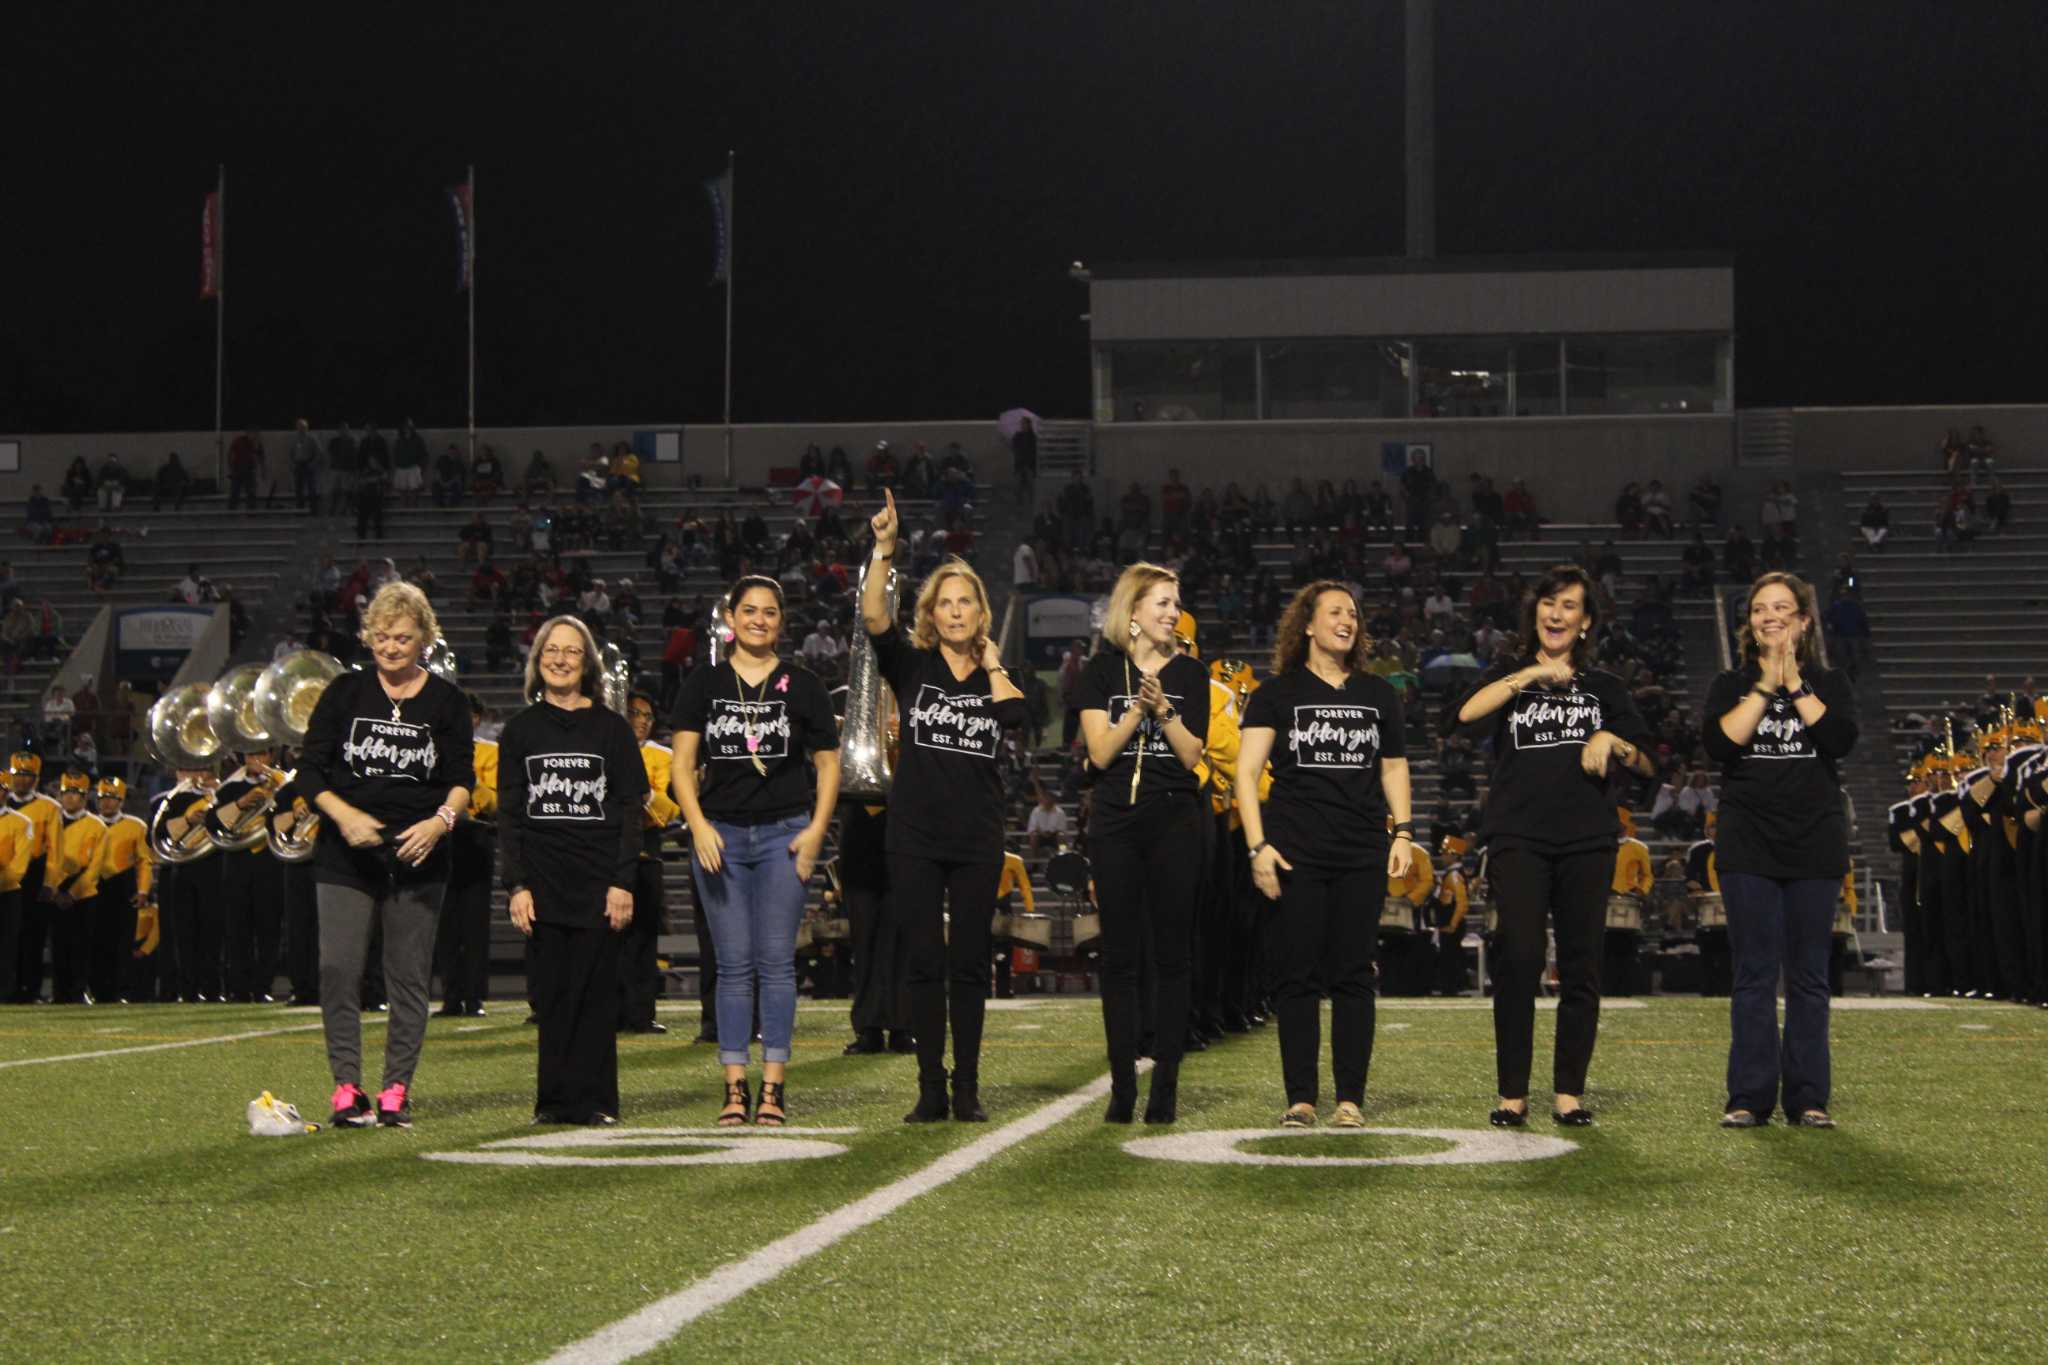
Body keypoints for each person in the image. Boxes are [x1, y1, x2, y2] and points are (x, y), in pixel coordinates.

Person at [1453, 565, 1655, 1128]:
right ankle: (1512, 1093)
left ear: (1586, 621)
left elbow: (1647, 761)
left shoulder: (1606, 688)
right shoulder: (1507, 675)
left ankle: (1568, 1092)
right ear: (1534, 611)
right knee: (1517, 958)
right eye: (1548, 603)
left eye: (1569, 606)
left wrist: (1613, 740)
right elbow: (1464, 715)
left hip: (1587, 839)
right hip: (1518, 835)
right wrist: (1527, 677)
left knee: (1580, 965)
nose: (1556, 613)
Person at [862, 491, 1028, 1122]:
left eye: (966, 602)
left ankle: (968, 1087)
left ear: (979, 612)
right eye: (945, 602)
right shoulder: (912, 664)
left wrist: (990, 660)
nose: (955, 612)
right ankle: (931, 1086)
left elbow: (1014, 715)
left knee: (969, 967)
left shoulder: (994, 674)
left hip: (977, 838)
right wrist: (884, 551)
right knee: (926, 964)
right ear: (930, 611)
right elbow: (875, 614)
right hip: (915, 836)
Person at [295, 582, 474, 1129]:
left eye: (402, 637)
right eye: (381, 636)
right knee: (338, 969)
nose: (391, 647)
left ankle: (397, 1086)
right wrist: (344, 816)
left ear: (424, 638)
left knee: (408, 978)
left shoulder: (447, 701)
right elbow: (310, 771)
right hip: (346, 855)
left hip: (419, 856)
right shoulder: (344, 693)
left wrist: (438, 823)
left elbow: (461, 783)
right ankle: (347, 1086)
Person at [1236, 580, 1413, 1128]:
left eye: (1354, 614)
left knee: (1355, 975)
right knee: (1297, 977)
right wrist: (1257, 846)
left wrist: (1404, 832)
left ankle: (1350, 1100)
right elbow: (1245, 773)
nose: (1347, 620)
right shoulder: (1275, 693)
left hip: (1362, 851)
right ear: (1307, 625)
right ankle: (1301, 1098)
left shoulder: (1379, 694)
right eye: (1335, 612)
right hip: (1295, 854)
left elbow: (1393, 767)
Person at [673, 577, 842, 1125]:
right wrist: (697, 825)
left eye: (769, 613)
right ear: (731, 616)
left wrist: (816, 830)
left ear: (781, 622)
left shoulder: (805, 684)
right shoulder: (704, 681)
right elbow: (680, 765)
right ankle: (733, 1087)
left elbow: (828, 764)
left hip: (782, 836)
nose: (759, 620)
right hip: (719, 833)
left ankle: (773, 1087)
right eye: (749, 611)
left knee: (776, 965)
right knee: (732, 966)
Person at [1703, 572, 1858, 1129]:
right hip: (1749, 844)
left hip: (1814, 843)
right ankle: (1748, 1096)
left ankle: (1808, 1097)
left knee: (1811, 976)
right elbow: (1721, 743)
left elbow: (1839, 739)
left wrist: (1793, 682)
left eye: (1783, 609)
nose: (1771, 617)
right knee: (1753, 973)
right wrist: (1766, 684)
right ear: (1749, 624)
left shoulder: (1829, 681)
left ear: (1804, 621)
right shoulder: (1730, 683)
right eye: (1761, 609)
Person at [498, 615, 647, 1125]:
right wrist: (515, 884)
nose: (560, 660)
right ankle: (554, 1101)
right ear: (538, 663)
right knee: (551, 998)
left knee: (596, 997)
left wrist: (622, 881)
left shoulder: (612, 728)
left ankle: (597, 1100)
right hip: (542, 884)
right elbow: (510, 813)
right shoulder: (519, 731)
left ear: (587, 664)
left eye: (571, 652)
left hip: (598, 880)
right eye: (550, 652)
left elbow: (630, 811)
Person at [1076, 563, 1211, 1123]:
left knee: (1174, 958)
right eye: (1160, 603)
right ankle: (1123, 1087)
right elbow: (1101, 755)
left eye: (1175, 604)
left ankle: (1167, 1088)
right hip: (1115, 825)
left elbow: (1191, 755)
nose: (1171, 613)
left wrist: (1166, 709)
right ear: (1131, 613)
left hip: (1175, 821)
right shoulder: (1101, 671)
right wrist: (1136, 707)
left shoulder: (1193, 674)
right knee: (1120, 959)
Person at [621, 691, 680, 1034]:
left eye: (647, 716)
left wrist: (642, 795)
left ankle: (641, 1013)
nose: (642, 721)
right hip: (610, 855)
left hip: (646, 853)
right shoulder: (607, 746)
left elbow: (669, 810)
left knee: (644, 938)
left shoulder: (662, 756)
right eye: (635, 713)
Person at [435, 694, 497, 1018]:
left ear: (477, 718)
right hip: (443, 837)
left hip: (476, 837)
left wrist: (474, 792)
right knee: (446, 923)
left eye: (470, 715)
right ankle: (450, 997)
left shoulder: (490, 751)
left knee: (474, 924)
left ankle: (474, 998)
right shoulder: (437, 748)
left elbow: (497, 801)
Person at [85, 777, 149, 1005]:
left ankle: (120, 990)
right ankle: (95, 989)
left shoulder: (136, 826)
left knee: (122, 942)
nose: (107, 803)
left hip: (123, 886)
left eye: (112, 798)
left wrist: (143, 890)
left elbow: (144, 861)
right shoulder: (88, 823)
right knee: (94, 940)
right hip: (93, 885)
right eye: (103, 798)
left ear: (121, 800)